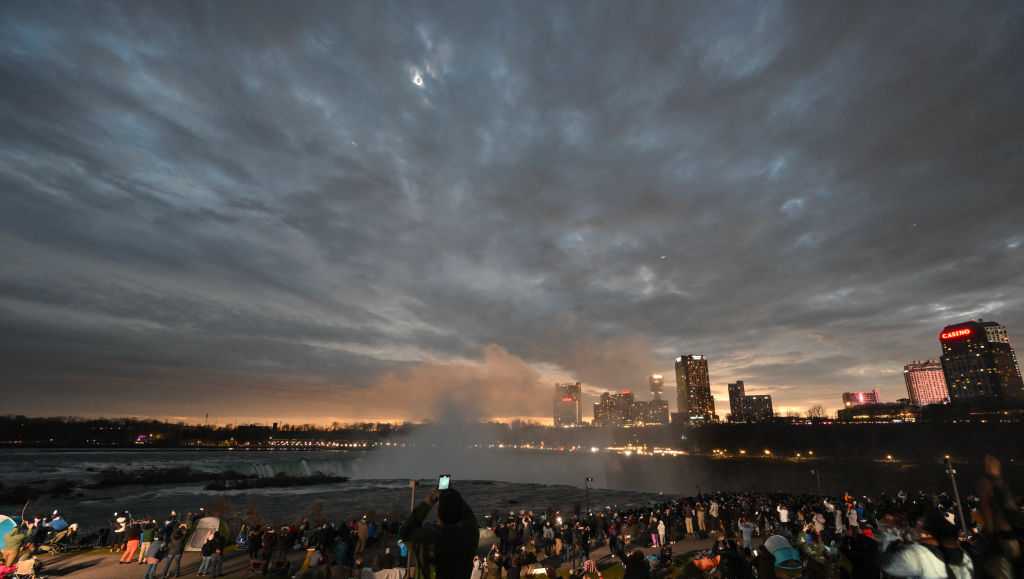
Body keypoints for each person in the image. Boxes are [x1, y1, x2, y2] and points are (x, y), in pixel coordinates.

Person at [400, 488, 480, 579]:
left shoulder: (428, 537)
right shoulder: (469, 535)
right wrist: (454, 497)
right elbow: (471, 520)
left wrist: (428, 501)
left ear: (439, 513)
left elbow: (405, 533)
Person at [879, 510, 973, 578]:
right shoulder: (966, 555)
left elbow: (886, 563)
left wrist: (890, 533)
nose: (914, 530)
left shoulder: (920, 555)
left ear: (927, 533)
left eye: (918, 527)